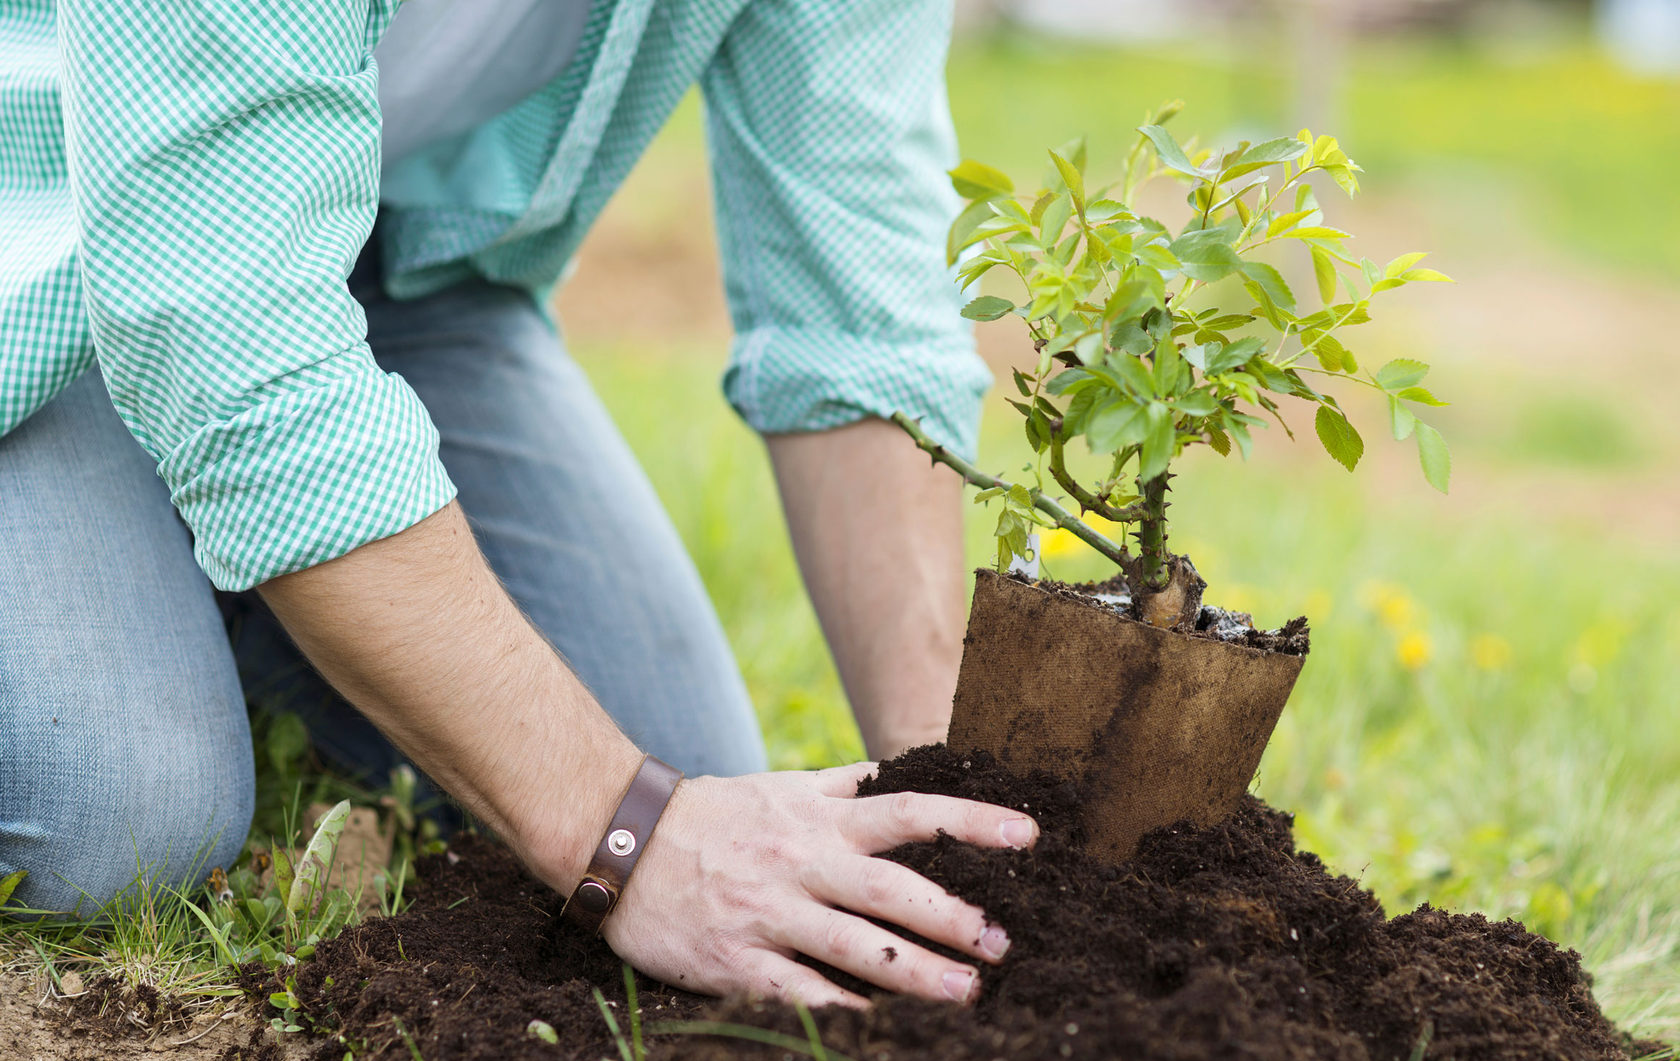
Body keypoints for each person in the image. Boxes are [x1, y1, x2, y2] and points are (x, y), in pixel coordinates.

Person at [0, 0, 1036, 1008]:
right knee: (118, 816)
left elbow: (860, 291)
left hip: (393, 263)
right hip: (50, 221)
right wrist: (627, 837)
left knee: (682, 763)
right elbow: (232, 330)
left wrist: (954, 806)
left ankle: (224, 561)